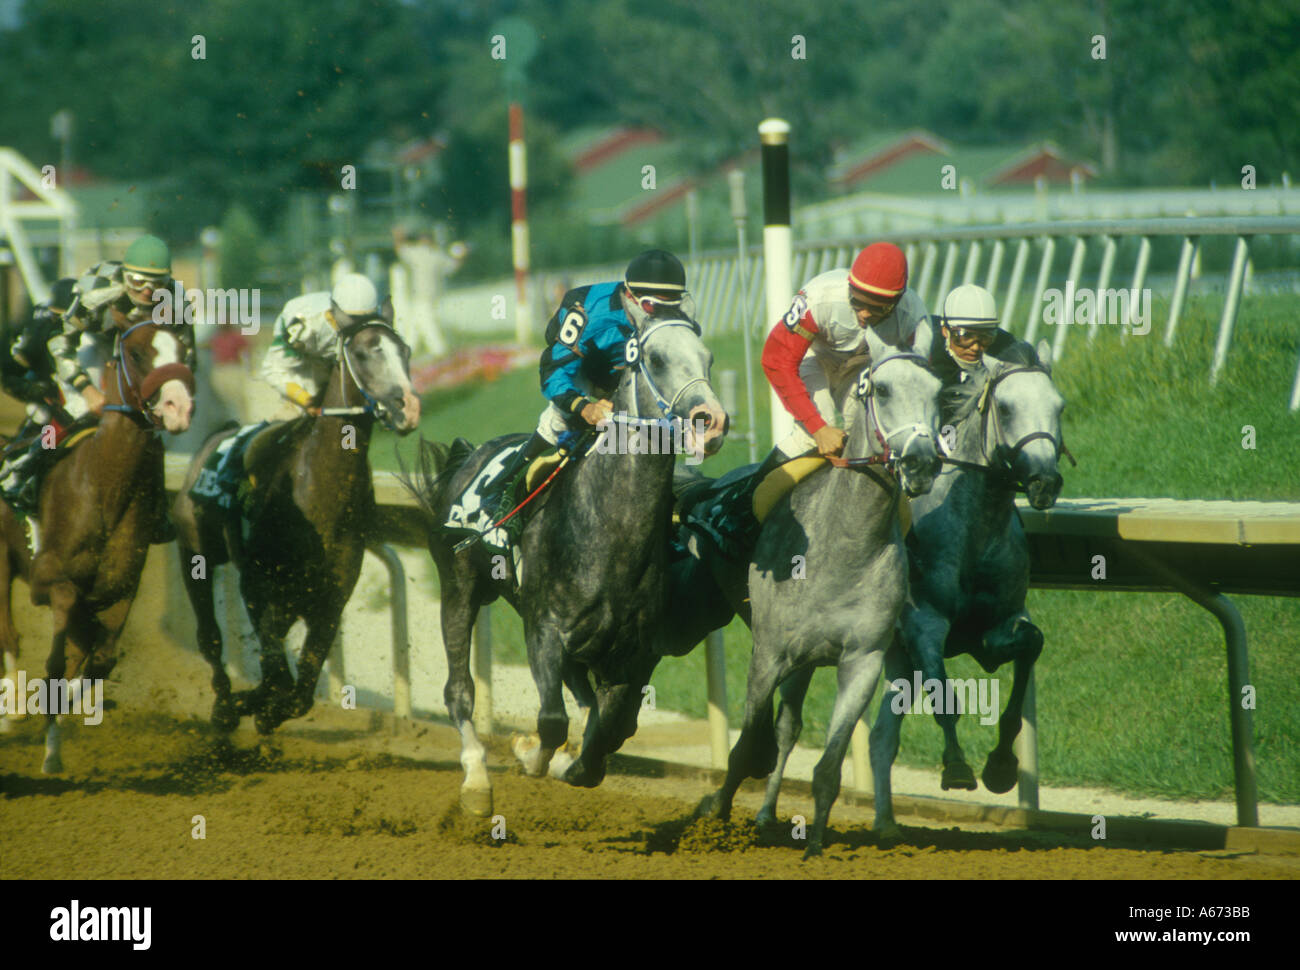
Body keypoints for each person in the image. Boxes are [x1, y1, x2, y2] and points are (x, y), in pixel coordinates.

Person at [482, 249, 689, 534]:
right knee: (560, 418)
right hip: (582, 366)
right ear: (629, 295)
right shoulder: (586, 309)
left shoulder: (673, 317)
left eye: (673, 307)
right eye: (654, 308)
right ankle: (504, 489)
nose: (664, 317)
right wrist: (584, 407)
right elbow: (554, 370)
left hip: (627, 374)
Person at [759, 241, 934, 475]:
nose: (863, 314)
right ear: (849, 287)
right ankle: (748, 497)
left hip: (863, 365)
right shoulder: (821, 297)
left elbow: (915, 384)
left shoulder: (914, 318)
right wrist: (817, 427)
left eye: (877, 309)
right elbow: (776, 360)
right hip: (814, 357)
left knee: (868, 435)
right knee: (812, 436)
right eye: (857, 302)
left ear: (897, 301)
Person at [47, 234, 195, 423]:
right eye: (138, 281)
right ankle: (58, 439)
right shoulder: (96, 292)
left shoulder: (177, 301)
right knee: (83, 408)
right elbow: (59, 343)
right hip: (96, 342)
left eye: (157, 284)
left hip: (142, 353)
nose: (147, 291)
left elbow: (188, 355)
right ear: (125, 277)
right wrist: (87, 390)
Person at [391, 225, 465, 358]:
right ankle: (409, 347)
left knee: (425, 322)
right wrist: (461, 256)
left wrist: (398, 236)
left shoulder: (420, 253)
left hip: (422, 295)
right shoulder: (436, 254)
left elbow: (400, 250)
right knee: (417, 322)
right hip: (429, 295)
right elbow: (453, 266)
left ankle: (439, 349)